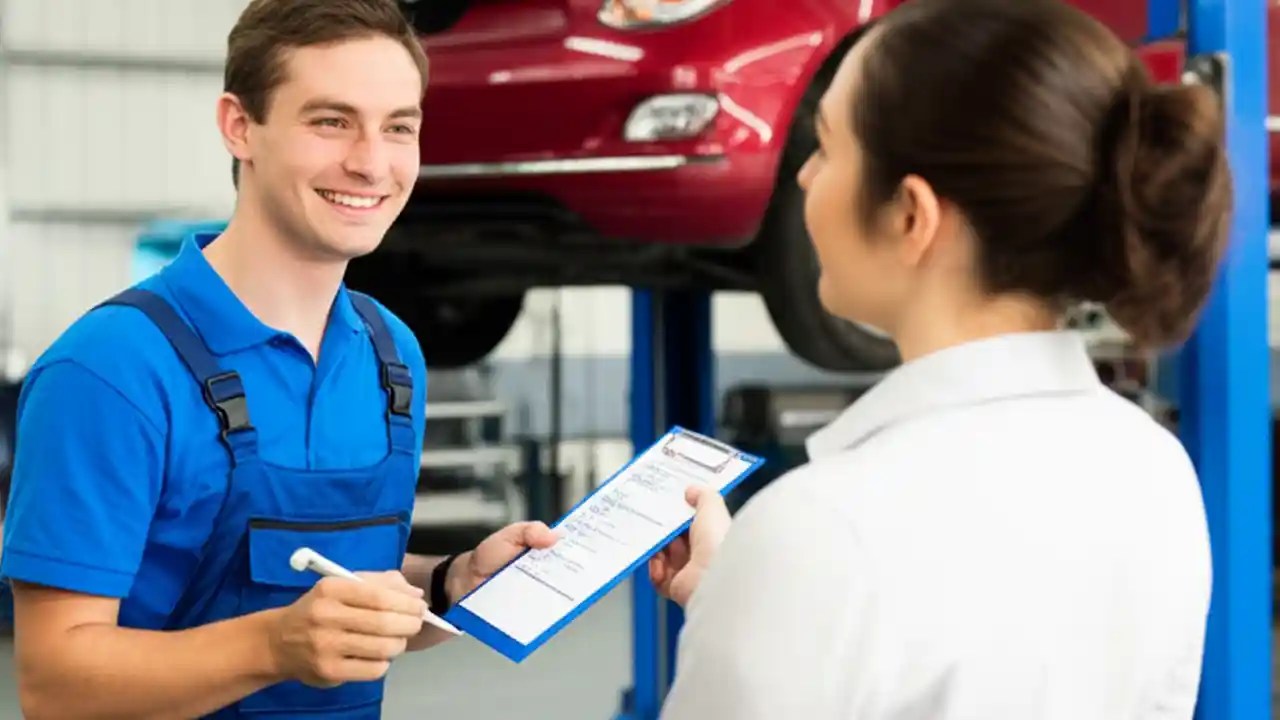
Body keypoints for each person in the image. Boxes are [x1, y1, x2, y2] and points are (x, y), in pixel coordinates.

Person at [648, 0, 1230, 717]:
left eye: (826, 146)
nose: (803, 178)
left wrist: (761, 591)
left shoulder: (817, 528)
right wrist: (745, 602)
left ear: (911, 216)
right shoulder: (1153, 467)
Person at [0, 0, 558, 717]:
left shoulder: (391, 355)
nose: (371, 163)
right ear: (240, 127)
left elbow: (345, 586)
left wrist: (452, 581)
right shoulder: (111, 371)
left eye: (399, 128)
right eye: (331, 121)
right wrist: (274, 647)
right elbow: (55, 685)